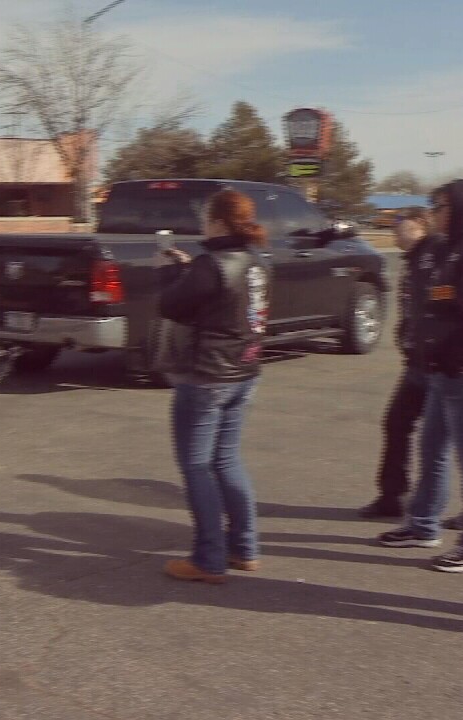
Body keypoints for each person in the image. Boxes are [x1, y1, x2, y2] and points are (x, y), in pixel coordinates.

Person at [377, 180, 463, 573]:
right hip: (445, 370)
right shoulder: (453, 247)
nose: (433, 213)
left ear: (460, 208)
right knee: (432, 446)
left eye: (438, 205)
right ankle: (423, 525)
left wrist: (459, 361)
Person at [156, 189, 270, 584]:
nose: (203, 224)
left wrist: (175, 274)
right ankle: (245, 547)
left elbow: (170, 305)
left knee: (197, 465)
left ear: (219, 222)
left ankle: (208, 558)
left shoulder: (210, 265)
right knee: (227, 460)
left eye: (207, 217)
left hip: (206, 377)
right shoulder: (256, 262)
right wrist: (193, 271)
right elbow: (227, 297)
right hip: (244, 372)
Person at [360, 207, 438, 519]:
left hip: (438, 363)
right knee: (397, 423)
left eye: (400, 226)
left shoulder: (436, 257)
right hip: (416, 363)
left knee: (452, 440)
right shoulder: (414, 260)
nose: (394, 231)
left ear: (420, 226)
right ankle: (392, 496)